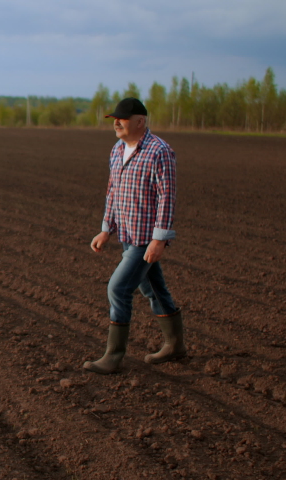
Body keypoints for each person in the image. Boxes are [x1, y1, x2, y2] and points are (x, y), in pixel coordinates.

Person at [83, 97, 186, 375]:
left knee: (118, 289)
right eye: (114, 118)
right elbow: (113, 191)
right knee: (153, 289)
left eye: (123, 119)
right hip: (127, 234)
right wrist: (107, 229)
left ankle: (113, 356)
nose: (116, 122)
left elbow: (167, 197)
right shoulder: (117, 149)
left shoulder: (159, 151)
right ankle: (175, 345)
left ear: (140, 122)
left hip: (144, 239)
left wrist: (159, 238)